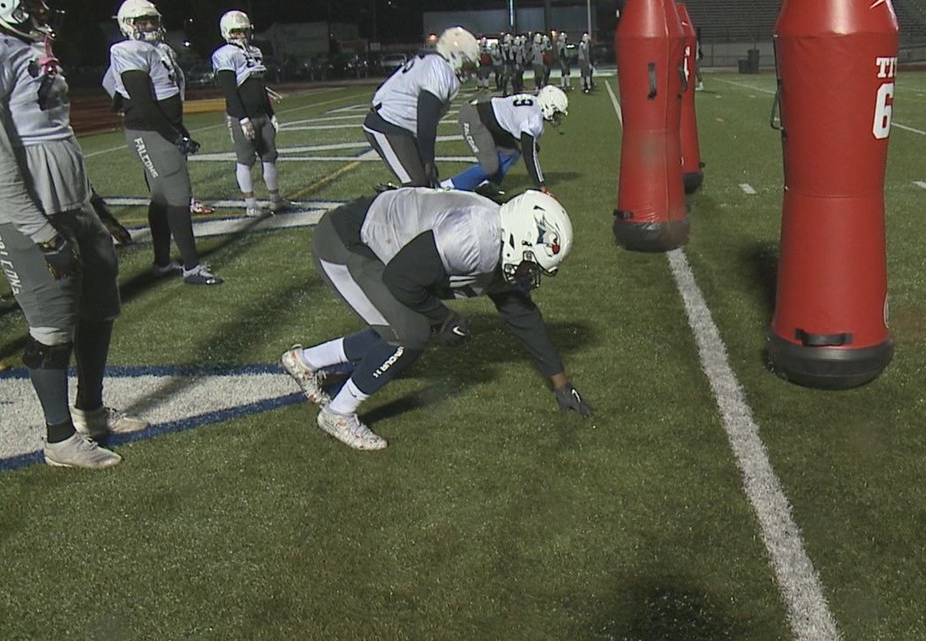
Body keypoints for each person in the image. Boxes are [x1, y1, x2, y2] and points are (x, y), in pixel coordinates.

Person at [280, 188, 593, 450]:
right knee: (411, 333)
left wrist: (561, 385)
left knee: (398, 325)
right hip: (345, 241)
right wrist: (444, 318)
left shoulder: (499, 239)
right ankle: (338, 413)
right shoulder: (475, 237)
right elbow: (400, 279)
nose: (528, 274)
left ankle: (305, 361)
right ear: (517, 240)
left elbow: (523, 316)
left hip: (372, 245)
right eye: (530, 264)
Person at [0, 0, 147, 469]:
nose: (42, 8)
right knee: (52, 325)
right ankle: (59, 439)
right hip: (30, 213)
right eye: (32, 2)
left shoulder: (30, 45)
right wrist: (41, 233)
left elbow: (57, 136)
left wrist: (95, 205)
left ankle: (90, 411)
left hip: (74, 205)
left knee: (100, 308)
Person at [106, 0, 222, 284]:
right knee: (179, 197)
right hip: (151, 133)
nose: (149, 26)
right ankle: (192, 268)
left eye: (152, 20)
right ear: (127, 25)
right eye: (142, 21)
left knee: (160, 199)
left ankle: (161, 262)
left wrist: (177, 129)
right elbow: (143, 102)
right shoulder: (127, 50)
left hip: (161, 130)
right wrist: (174, 136)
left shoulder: (160, 49)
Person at [362, 26, 479, 190]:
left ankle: (392, 194)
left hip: (396, 123)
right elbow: (426, 120)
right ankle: (379, 203)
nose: (467, 70)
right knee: (417, 184)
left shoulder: (432, 62)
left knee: (424, 184)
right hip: (387, 123)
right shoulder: (441, 71)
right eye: (466, 63)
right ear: (454, 55)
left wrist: (427, 161)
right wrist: (428, 161)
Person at [212, 10, 291, 218]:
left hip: (261, 115)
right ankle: (250, 204)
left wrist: (270, 113)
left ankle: (275, 199)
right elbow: (230, 91)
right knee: (245, 160)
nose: (241, 35)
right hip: (243, 116)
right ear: (227, 32)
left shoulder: (255, 52)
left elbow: (260, 87)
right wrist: (242, 118)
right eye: (236, 31)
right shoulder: (224, 54)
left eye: (244, 31)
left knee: (270, 157)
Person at [439, 86, 569, 198]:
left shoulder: (533, 103)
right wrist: (541, 185)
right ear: (548, 106)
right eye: (556, 112)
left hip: (487, 118)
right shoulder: (534, 119)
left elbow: (513, 121)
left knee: (511, 152)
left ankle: (487, 186)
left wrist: (530, 144)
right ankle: (445, 186)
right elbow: (529, 156)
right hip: (473, 117)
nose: (557, 117)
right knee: (489, 166)